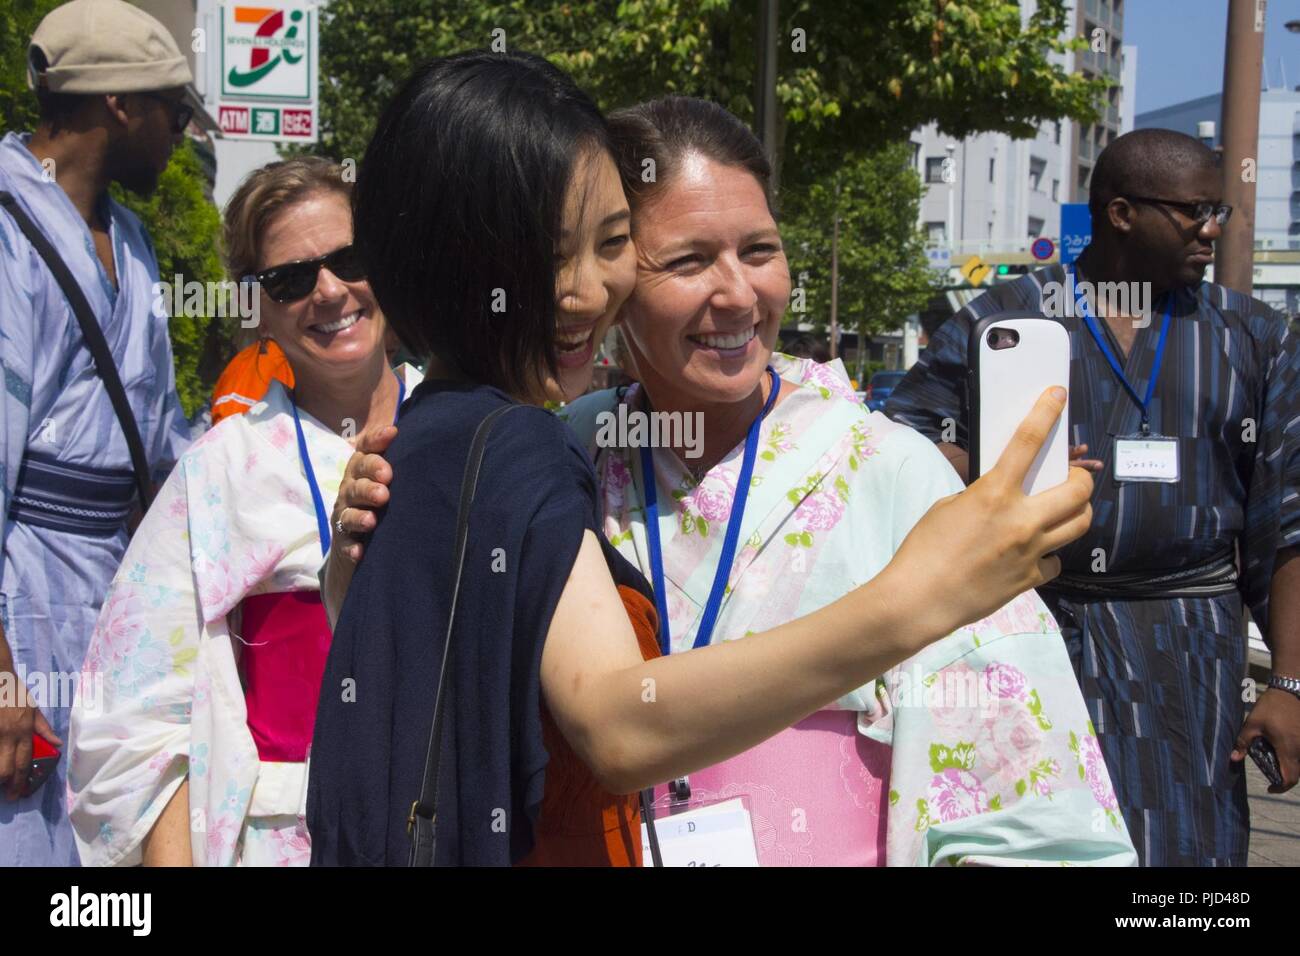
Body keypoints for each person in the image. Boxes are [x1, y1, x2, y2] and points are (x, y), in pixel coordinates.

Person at [317, 63, 1130, 866]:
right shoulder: (558, 443)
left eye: (760, 250)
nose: (738, 294)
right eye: (687, 260)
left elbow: (1029, 809)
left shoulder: (891, 470)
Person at [886, 128, 1300, 866]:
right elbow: (900, 453)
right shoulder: (1004, 320)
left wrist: (1291, 685)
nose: (1211, 230)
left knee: (1189, 861)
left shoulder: (1254, 337)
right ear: (1119, 213)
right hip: (1040, 632)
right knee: (1042, 840)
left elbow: (1289, 525)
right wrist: (992, 472)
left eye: (1220, 214)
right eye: (1195, 212)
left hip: (1193, 653)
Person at [66, 157, 404, 866]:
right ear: (255, 307)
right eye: (290, 279)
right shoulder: (216, 471)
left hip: (447, 815)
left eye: (350, 259)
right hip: (282, 833)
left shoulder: (467, 433)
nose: (331, 291)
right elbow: (137, 722)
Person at [0, 0, 192, 865]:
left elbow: (163, 440)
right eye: (175, 112)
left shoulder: (134, 239)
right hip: (24, 590)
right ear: (122, 104)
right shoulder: (8, 233)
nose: (182, 136)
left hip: (117, 593)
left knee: (106, 843)